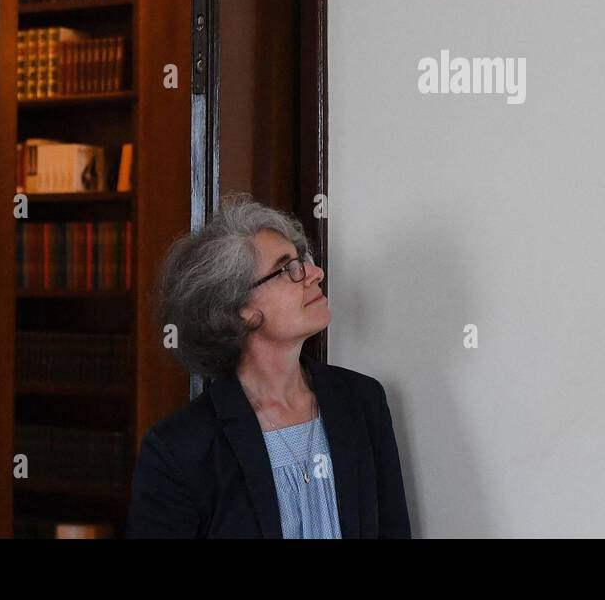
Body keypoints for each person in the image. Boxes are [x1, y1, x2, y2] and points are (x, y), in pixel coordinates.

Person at [126, 195, 411, 538]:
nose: (314, 273)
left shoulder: (363, 401)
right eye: (287, 267)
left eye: (303, 259)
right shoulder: (181, 447)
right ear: (239, 310)